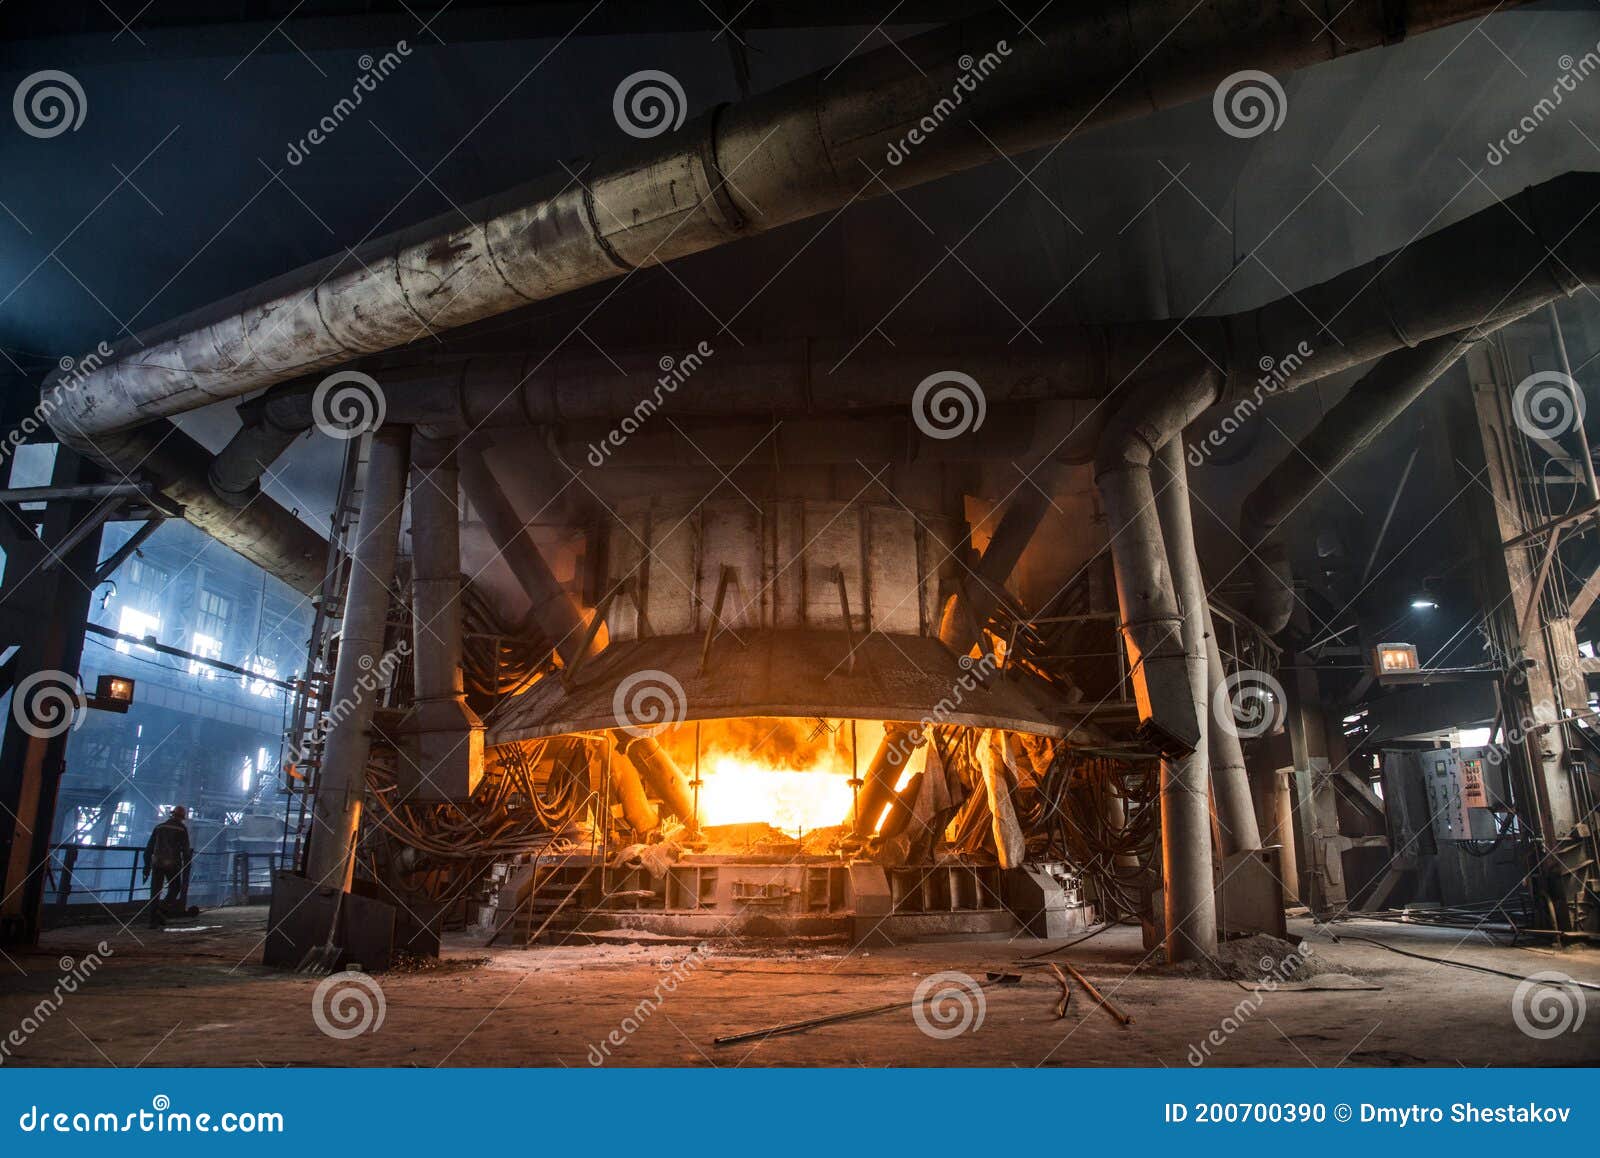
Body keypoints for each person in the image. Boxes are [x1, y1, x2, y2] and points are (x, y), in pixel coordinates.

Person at [143, 806, 192, 927]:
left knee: (155, 891)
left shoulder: (159, 827)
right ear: (182, 817)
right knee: (175, 888)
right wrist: (187, 863)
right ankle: (161, 910)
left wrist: (146, 866)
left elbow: (148, 849)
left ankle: (152, 921)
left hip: (157, 862)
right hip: (173, 863)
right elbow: (185, 850)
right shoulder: (181, 829)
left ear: (172, 814)